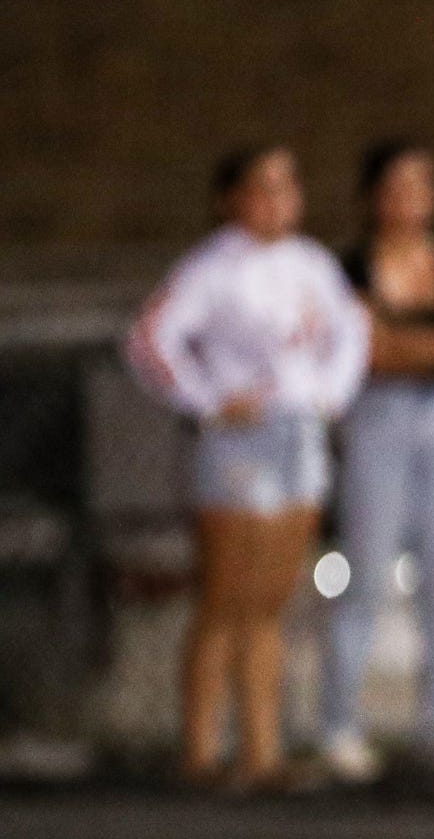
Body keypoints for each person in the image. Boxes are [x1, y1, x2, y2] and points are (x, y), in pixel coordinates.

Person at [126, 145, 369, 788]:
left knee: (270, 603)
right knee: (225, 597)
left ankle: (261, 751)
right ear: (229, 199)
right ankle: (201, 751)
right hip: (241, 439)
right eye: (263, 187)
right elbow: (150, 339)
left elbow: (352, 331)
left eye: (288, 185)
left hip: (298, 435)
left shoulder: (311, 263)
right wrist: (206, 400)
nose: (279, 199)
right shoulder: (212, 268)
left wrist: (327, 395)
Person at [320, 141, 434, 781]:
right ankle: (339, 723)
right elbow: (373, 354)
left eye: (422, 183)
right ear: (372, 196)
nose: (410, 198)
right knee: (364, 572)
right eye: (396, 185)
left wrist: (411, 343)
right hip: (378, 418)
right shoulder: (351, 267)